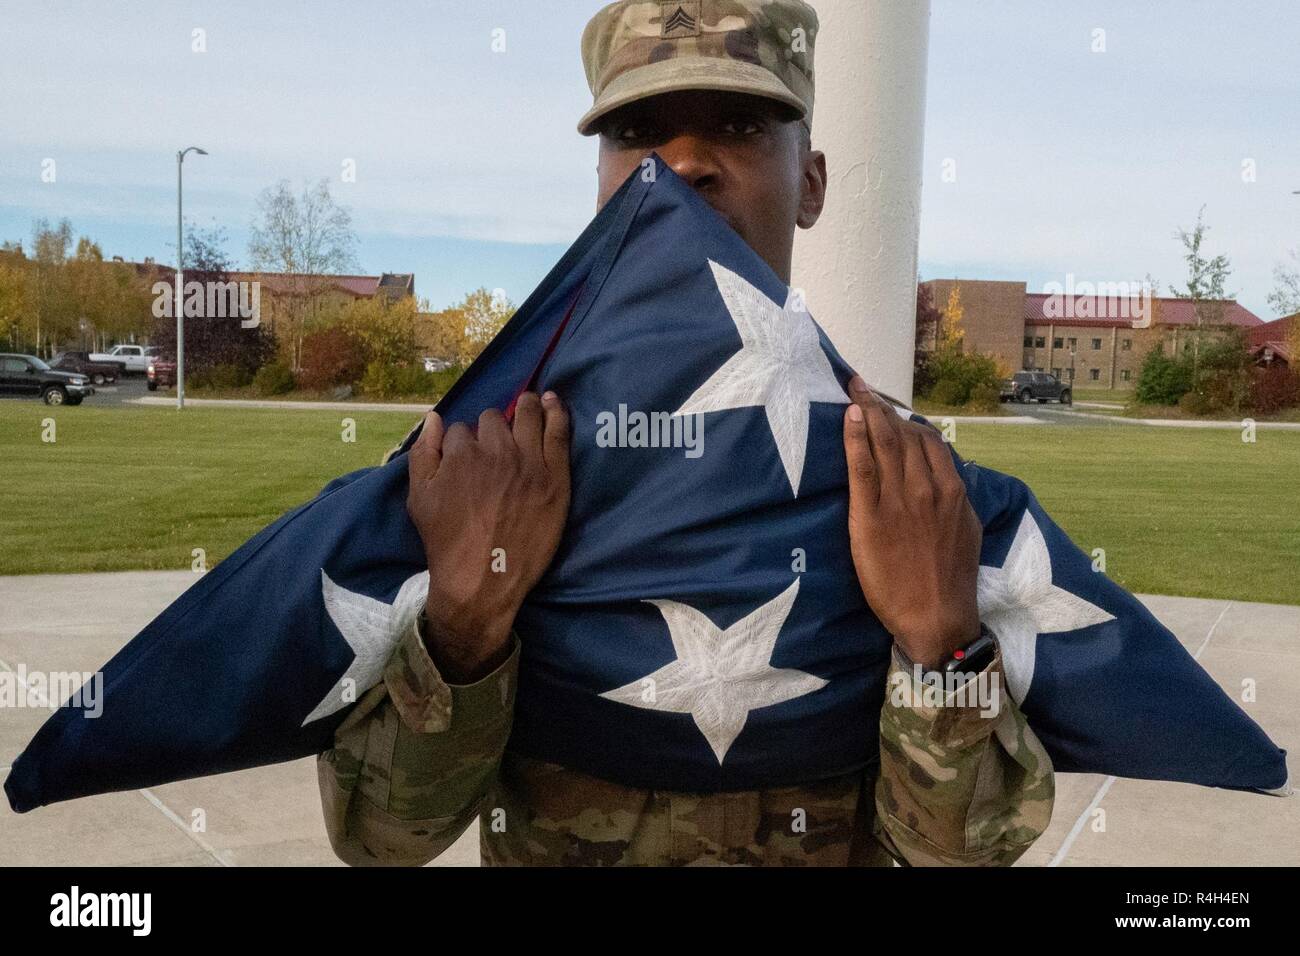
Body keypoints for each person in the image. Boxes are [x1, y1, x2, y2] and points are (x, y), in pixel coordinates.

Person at [318, 0, 1054, 866]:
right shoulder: (493, 460)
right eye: (637, 133)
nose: (685, 165)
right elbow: (378, 840)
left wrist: (941, 642)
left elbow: (961, 854)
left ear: (811, 182)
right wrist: (463, 628)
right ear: (601, 187)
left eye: (740, 126)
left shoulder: (900, 475)